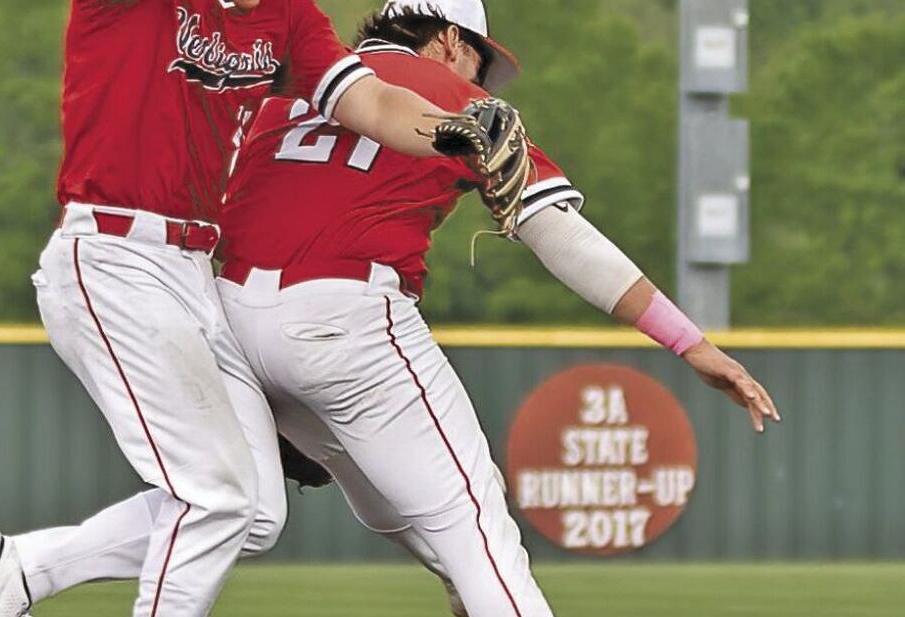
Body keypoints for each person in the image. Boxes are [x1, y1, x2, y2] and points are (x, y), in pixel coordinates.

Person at [216, 1, 781, 615]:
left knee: (400, 524)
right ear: (451, 39)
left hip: (229, 317)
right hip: (345, 321)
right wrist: (689, 342)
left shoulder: (287, 91)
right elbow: (560, 235)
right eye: (479, 64)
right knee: (477, 529)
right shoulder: (450, 94)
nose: (478, 83)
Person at [0, 1, 506, 616]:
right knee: (214, 500)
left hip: (194, 272)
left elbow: (371, 103)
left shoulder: (286, 15)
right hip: (112, 253)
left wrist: (443, 128)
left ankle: (20, 571)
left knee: (254, 515)